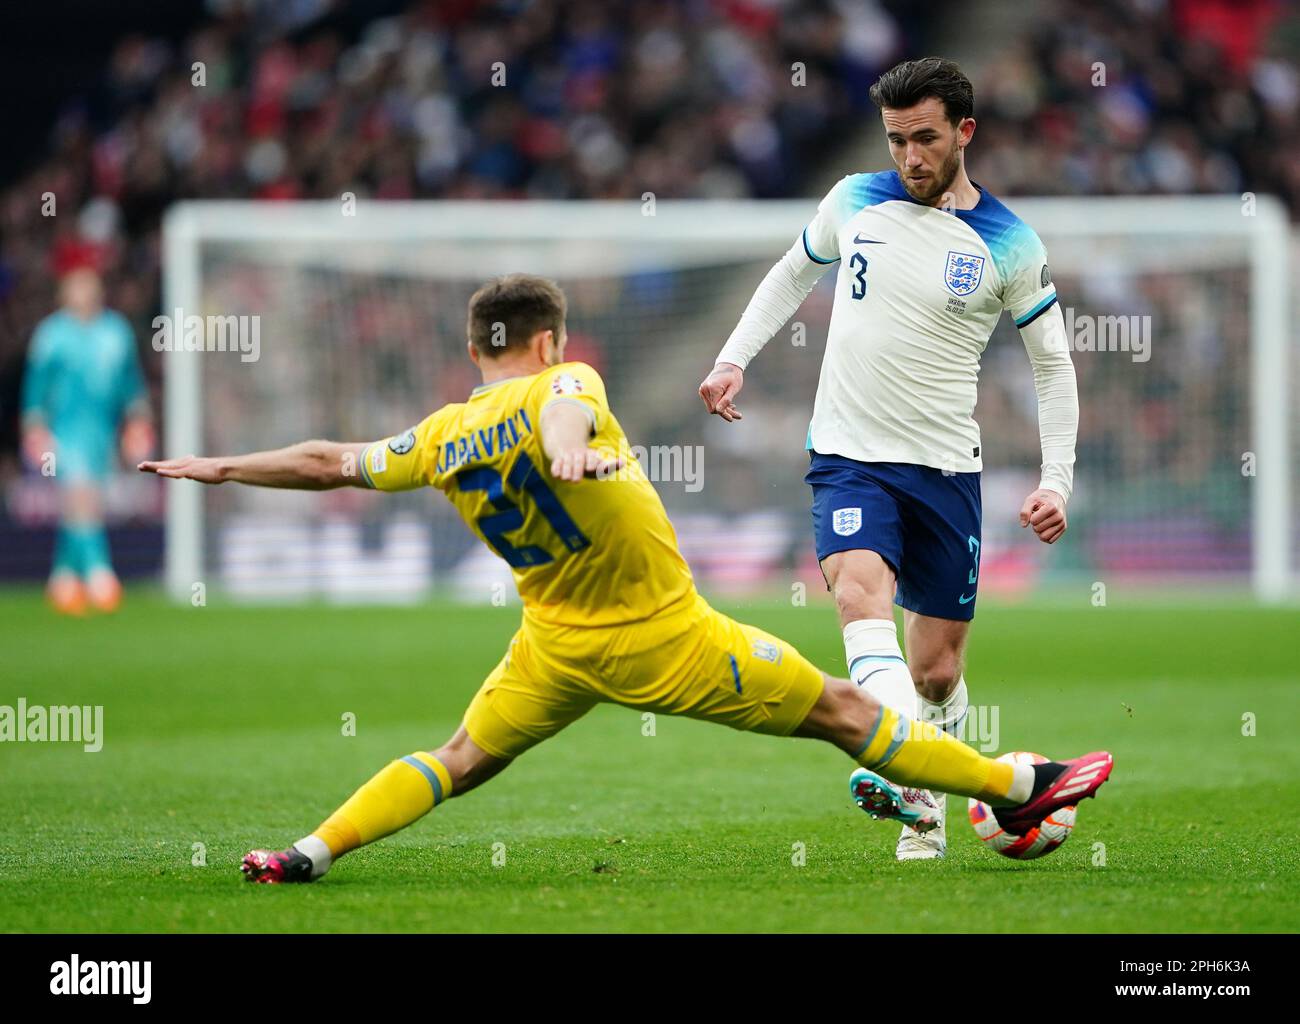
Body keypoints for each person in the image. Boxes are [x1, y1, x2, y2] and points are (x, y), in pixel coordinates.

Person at [140, 273, 1109, 884]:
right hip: (660, 637)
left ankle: (307, 851)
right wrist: (569, 452)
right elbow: (564, 418)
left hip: (551, 646)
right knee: (843, 710)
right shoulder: (570, 382)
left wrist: (222, 466)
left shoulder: (438, 433)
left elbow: (327, 462)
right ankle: (1018, 782)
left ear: (475, 350)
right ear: (549, 341)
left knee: (456, 761)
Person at [699, 57, 1078, 859]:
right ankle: (915, 793)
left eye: (926, 139)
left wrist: (1056, 479)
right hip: (847, 457)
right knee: (858, 601)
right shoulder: (853, 198)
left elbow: (1053, 364)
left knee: (936, 672)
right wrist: (734, 357)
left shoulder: (1009, 241)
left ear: (964, 133)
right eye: (897, 139)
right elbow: (789, 273)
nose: (910, 156)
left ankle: (925, 773)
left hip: (945, 471)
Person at [22, 263, 153, 614]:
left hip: (101, 431)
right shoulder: (51, 334)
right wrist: (33, 426)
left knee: (84, 501)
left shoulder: (116, 331)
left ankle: (63, 579)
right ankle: (100, 575)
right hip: (64, 430)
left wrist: (137, 421)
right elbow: (36, 386)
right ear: (64, 294)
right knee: (81, 495)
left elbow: (131, 382)